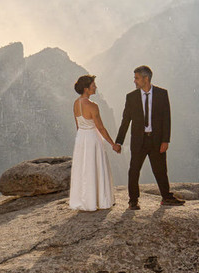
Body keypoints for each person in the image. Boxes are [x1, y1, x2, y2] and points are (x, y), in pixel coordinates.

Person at [113, 65, 186, 210]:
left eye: (137, 78)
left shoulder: (162, 94)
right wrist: (119, 142)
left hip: (156, 140)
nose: (134, 81)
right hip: (138, 141)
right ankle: (133, 200)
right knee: (134, 170)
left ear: (146, 79)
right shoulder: (131, 97)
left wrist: (166, 140)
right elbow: (125, 121)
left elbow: (167, 119)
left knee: (160, 170)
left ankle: (166, 197)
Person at [69, 74, 118, 211]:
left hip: (81, 138)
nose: (95, 87)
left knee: (84, 168)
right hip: (92, 138)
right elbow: (100, 128)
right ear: (86, 89)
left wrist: (81, 138)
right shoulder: (92, 106)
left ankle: (83, 200)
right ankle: (100, 199)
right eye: (93, 85)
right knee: (95, 167)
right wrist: (113, 143)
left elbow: (78, 125)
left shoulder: (76, 103)